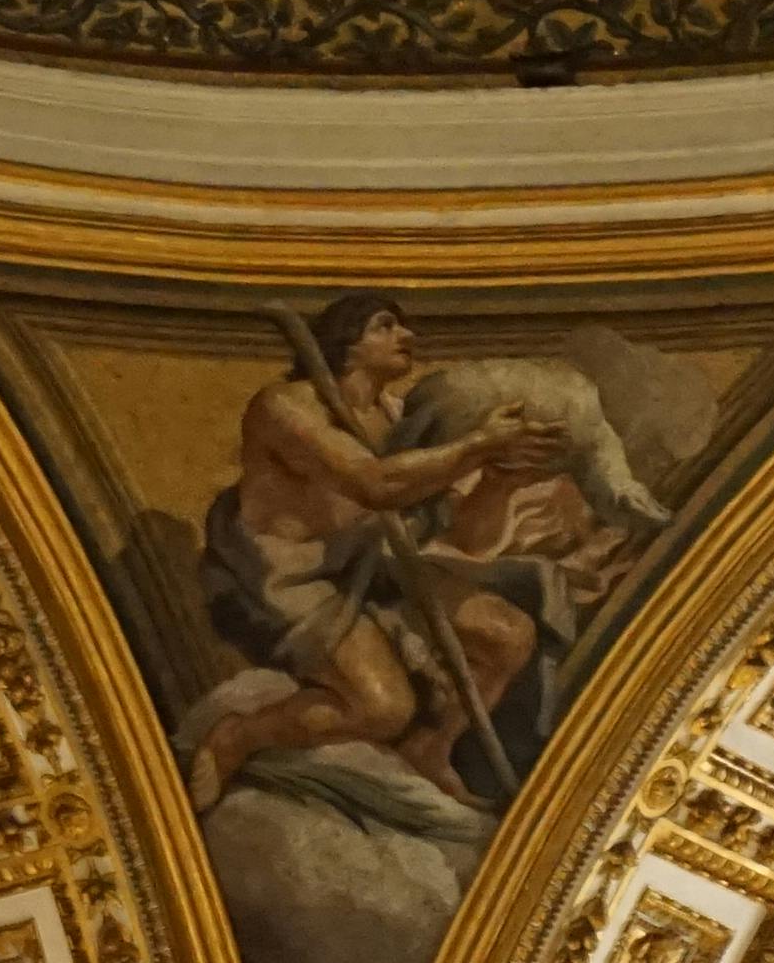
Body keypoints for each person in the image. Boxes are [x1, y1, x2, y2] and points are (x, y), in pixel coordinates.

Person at [187, 298, 583, 811]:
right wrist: (478, 445)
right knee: (383, 707)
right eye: (385, 325)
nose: (406, 334)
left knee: (508, 635)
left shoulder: (396, 416)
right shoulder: (287, 406)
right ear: (345, 340)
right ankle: (238, 736)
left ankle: (430, 750)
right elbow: (374, 484)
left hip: (370, 564)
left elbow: (466, 538)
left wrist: (498, 480)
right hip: (286, 577)